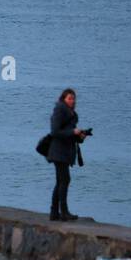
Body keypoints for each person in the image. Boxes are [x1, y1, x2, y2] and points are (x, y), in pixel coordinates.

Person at [46, 88, 88, 221]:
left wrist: (81, 136)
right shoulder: (60, 110)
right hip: (58, 151)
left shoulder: (70, 113)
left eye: (73, 98)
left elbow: (69, 132)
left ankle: (54, 212)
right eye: (69, 98)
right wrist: (73, 132)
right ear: (63, 99)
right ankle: (63, 212)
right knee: (64, 180)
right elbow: (55, 132)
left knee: (60, 181)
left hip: (64, 151)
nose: (72, 101)